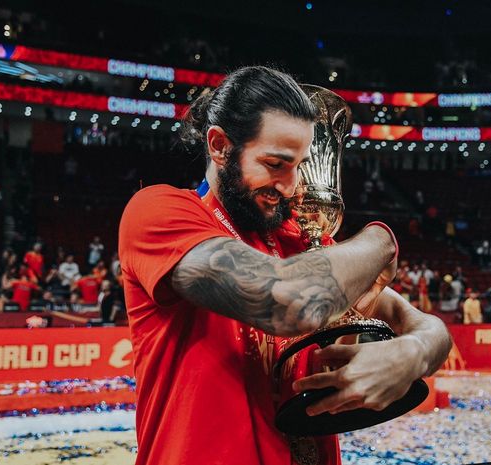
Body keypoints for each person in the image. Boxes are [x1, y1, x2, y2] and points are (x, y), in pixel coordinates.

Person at [117, 66, 452, 465]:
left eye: (300, 165)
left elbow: (428, 327)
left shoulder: (300, 237)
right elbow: (285, 301)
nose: (292, 186)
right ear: (220, 145)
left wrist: (411, 353)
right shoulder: (159, 211)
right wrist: (382, 241)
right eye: (276, 165)